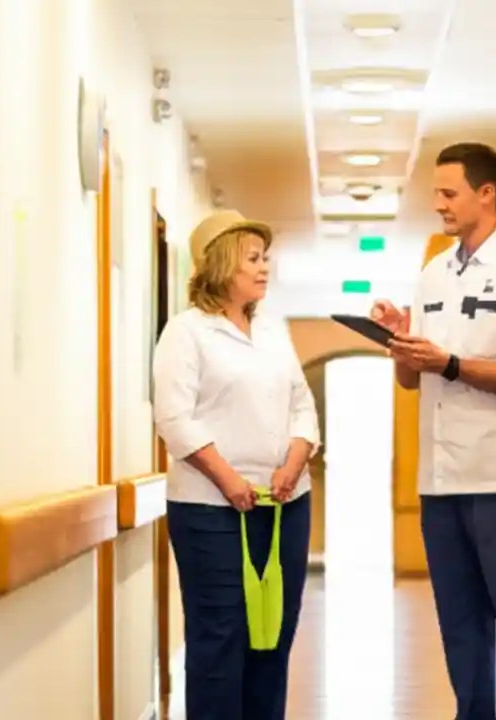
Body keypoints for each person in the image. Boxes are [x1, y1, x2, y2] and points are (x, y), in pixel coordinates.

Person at [371, 142, 496, 720]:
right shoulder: (432, 273)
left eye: (448, 193)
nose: (438, 206)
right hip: (440, 481)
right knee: (460, 620)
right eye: (435, 194)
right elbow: (410, 381)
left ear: (487, 193)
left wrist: (449, 363)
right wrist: (401, 342)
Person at [153, 209, 320, 720]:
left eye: (266, 257)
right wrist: (228, 480)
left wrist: (293, 464)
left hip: (283, 505)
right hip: (210, 509)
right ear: (222, 263)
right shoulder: (187, 333)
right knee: (221, 634)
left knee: (273, 633)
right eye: (254, 257)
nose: (265, 267)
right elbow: (174, 417)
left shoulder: (272, 331)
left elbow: (302, 405)